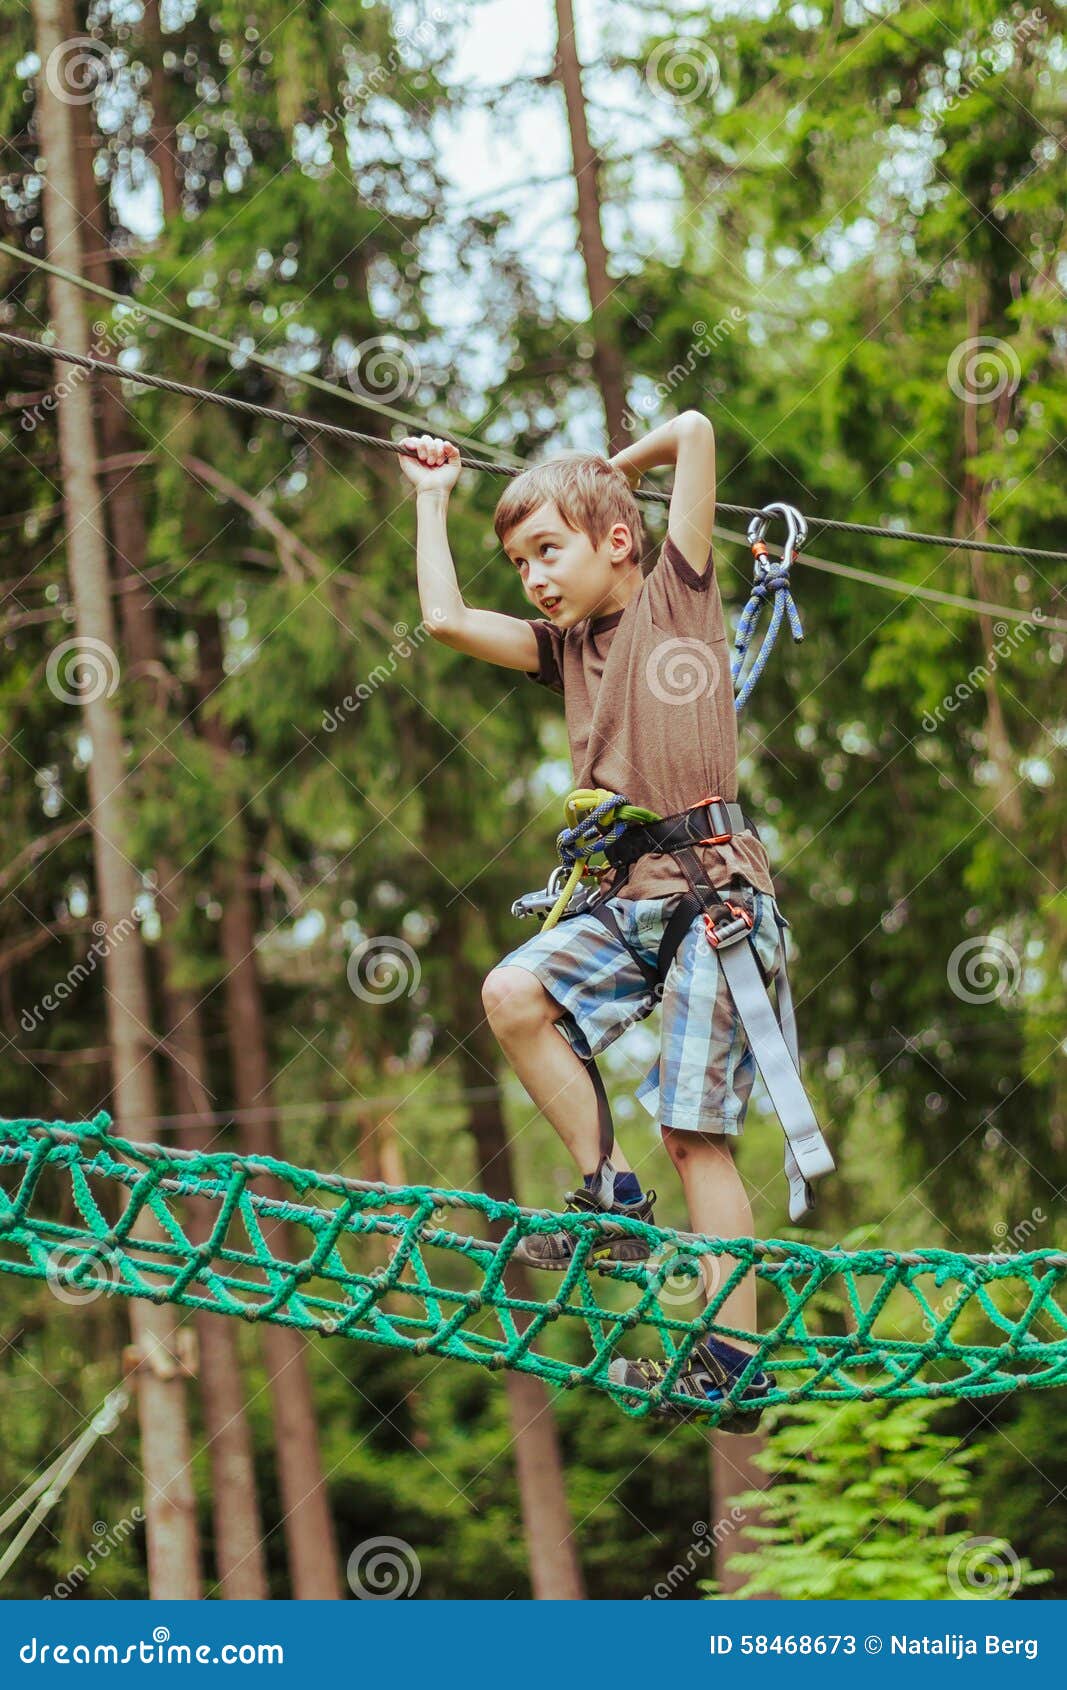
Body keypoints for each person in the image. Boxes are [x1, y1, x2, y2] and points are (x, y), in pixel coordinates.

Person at [398, 415, 821, 1423]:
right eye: (518, 561)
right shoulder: (564, 648)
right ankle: (610, 1195)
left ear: (616, 541)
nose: (532, 577)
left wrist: (600, 470)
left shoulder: (676, 596)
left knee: (694, 1136)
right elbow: (447, 621)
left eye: (549, 550)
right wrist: (429, 499)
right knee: (510, 992)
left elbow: (695, 428)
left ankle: (730, 1363)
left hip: (712, 894)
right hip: (623, 896)